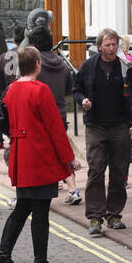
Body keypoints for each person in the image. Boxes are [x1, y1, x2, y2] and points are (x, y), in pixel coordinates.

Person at [0, 46, 81, 263]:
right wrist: (69, 160)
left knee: (22, 207)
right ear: (38, 65)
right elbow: (56, 130)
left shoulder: (12, 90)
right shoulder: (41, 90)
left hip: (21, 155)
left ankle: (4, 254)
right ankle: (39, 260)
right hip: (40, 156)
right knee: (40, 211)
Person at [73, 27, 132, 237]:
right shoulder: (89, 66)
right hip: (96, 125)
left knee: (119, 171)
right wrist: (82, 100)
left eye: (115, 44)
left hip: (120, 124)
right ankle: (95, 216)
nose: (112, 48)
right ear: (99, 46)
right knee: (96, 169)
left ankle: (114, 214)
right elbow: (76, 89)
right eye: (108, 45)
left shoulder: (126, 66)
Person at [30, 28, 81, 205]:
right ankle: (72, 189)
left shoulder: (34, 64)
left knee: (39, 154)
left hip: (39, 115)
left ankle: (35, 192)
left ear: (33, 45)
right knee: (62, 153)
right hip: (59, 112)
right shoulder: (62, 63)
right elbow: (68, 90)